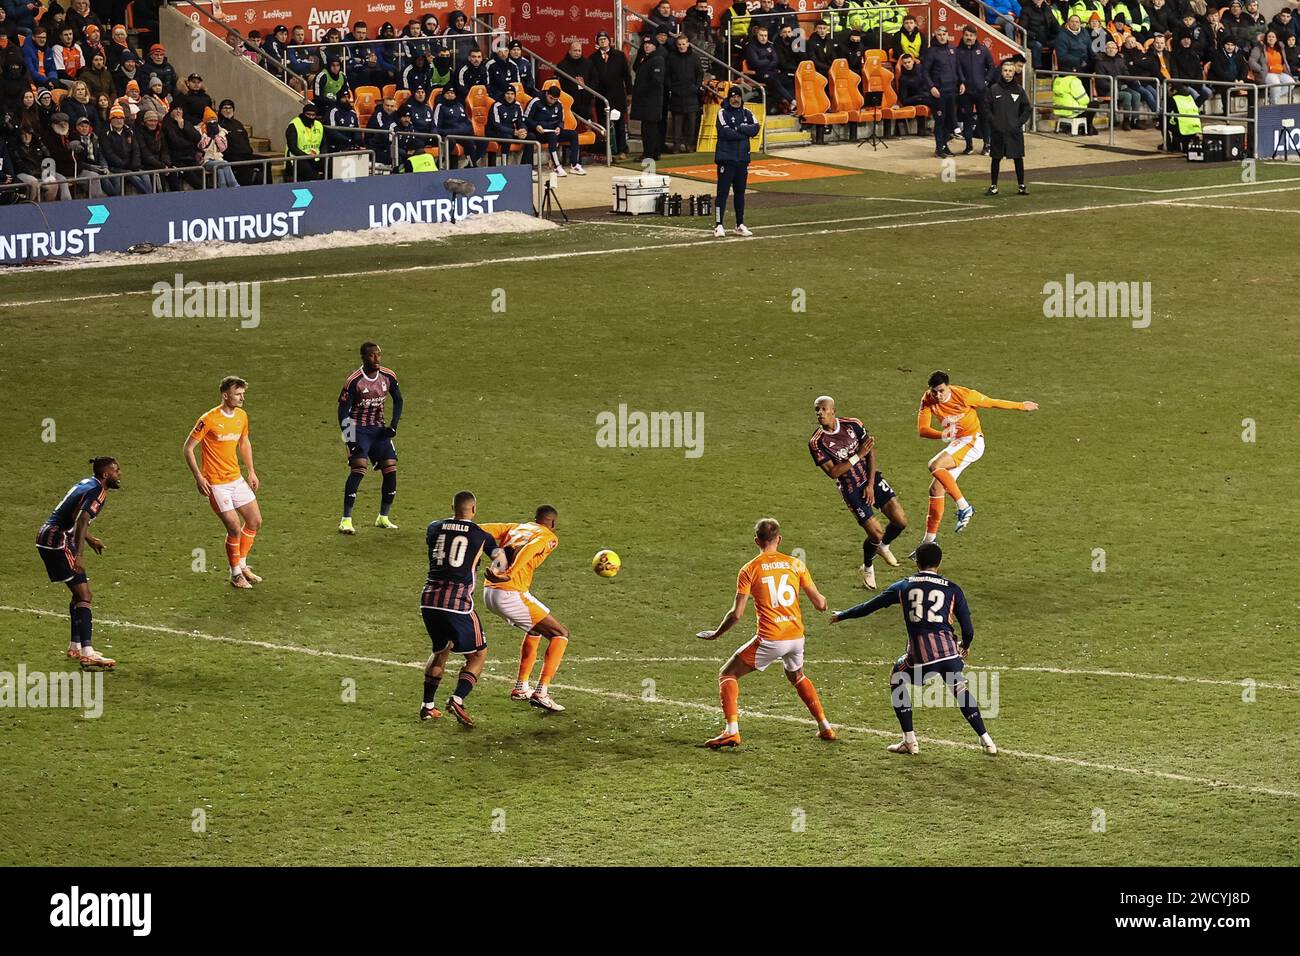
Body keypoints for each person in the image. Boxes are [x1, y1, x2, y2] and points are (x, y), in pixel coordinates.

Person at [830, 543, 997, 757]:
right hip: (949, 652)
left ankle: (909, 740)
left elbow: (871, 605)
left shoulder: (903, 586)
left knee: (897, 677)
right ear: (939, 562)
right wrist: (965, 646)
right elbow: (969, 629)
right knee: (959, 689)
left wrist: (842, 615)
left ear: (917, 562)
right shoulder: (952, 588)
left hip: (921, 656)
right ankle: (987, 740)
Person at [696, 517, 836, 749]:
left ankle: (732, 732)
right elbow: (820, 604)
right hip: (796, 637)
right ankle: (825, 727)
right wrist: (823, 602)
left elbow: (736, 614)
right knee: (797, 676)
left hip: (771, 638)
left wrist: (717, 634)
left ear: (756, 541)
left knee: (727, 674)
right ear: (779, 539)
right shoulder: (796, 564)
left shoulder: (749, 569)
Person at [915, 371, 1038, 546]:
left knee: (935, 465)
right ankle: (928, 543)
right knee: (936, 489)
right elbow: (923, 430)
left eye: (941, 390)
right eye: (935, 391)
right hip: (958, 443)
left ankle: (964, 506)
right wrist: (943, 434)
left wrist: (1020, 406)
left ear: (948, 386)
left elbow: (992, 402)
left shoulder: (964, 395)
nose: (938, 395)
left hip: (972, 441)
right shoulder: (928, 399)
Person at [418, 491, 508, 727]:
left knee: (441, 649)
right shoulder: (482, 536)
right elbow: (500, 561)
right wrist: (496, 572)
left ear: (452, 507)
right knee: (479, 653)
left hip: (428, 599)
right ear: (474, 510)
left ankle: (427, 706)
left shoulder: (433, 527)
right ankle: (458, 698)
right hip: (457, 603)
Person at [809, 395, 908, 590]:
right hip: (851, 489)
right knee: (876, 534)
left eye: (822, 409)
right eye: (816, 410)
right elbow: (833, 472)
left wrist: (871, 484)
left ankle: (884, 546)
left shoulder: (853, 425)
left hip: (870, 479)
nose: (819, 413)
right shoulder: (817, 442)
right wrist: (857, 455)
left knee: (901, 520)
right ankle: (868, 567)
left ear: (832, 411)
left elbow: (870, 451)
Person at [480, 506, 569, 713]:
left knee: (535, 629)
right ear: (553, 523)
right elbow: (530, 549)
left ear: (534, 518)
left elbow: (479, 530)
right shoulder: (549, 536)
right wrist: (510, 573)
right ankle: (542, 692)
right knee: (560, 634)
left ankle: (521, 688)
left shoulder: (515, 528)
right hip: (510, 592)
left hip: (489, 592)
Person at [36, 457, 122, 669]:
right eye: (116, 471)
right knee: (84, 595)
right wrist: (79, 556)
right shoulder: (98, 492)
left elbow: (74, 516)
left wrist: (90, 539)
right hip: (57, 540)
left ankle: (75, 646)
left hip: (49, 536)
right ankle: (88, 653)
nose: (119, 474)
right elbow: (82, 520)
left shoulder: (87, 483)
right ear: (105, 475)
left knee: (78, 593)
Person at [183, 377, 263, 591]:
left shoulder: (242, 416)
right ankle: (235, 574)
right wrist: (199, 477)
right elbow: (188, 448)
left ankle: (242, 564)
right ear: (225, 395)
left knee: (254, 521)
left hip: (235, 478)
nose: (242, 397)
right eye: (238, 394)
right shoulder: (208, 419)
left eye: (243, 394)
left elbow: (244, 442)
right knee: (234, 527)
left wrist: (251, 471)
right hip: (216, 483)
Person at [336, 342, 402, 535]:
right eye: (372, 356)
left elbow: (399, 400)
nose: (376, 359)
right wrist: (350, 440)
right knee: (359, 469)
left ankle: (383, 517)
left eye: (378, 355)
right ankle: (345, 520)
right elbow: (342, 413)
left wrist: (393, 426)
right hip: (358, 430)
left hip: (379, 430)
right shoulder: (354, 382)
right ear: (363, 358)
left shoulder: (388, 376)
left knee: (390, 468)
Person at [713, 84, 757, 238]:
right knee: (722, 193)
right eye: (732, 96)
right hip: (726, 159)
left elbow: (756, 128)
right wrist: (743, 131)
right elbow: (725, 132)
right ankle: (718, 225)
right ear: (728, 98)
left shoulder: (747, 113)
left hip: (742, 159)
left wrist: (738, 129)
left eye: (737, 96)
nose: (735, 99)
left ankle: (740, 224)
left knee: (740, 193)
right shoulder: (722, 113)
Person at [983, 56, 1031, 195]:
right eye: (1005, 71)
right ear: (1002, 72)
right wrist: (994, 122)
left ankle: (1021, 185)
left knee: (1018, 159)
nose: (1008, 73)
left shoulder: (1019, 90)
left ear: (1014, 72)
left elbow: (1027, 109)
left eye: (1010, 71)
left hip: (1014, 132)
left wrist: (1018, 123)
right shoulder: (994, 89)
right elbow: (986, 108)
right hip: (998, 131)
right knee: (995, 159)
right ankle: (993, 186)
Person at [587, 30, 632, 159]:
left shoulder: (619, 55)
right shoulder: (593, 58)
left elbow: (627, 76)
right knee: (603, 124)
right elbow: (592, 78)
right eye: (600, 39)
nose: (603, 41)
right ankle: (607, 150)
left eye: (605, 39)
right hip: (602, 97)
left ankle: (622, 149)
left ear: (609, 41)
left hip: (617, 96)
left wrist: (629, 93)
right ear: (597, 42)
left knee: (619, 124)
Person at [523, 83, 582, 175]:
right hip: (539, 132)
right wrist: (536, 126)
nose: (552, 101)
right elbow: (526, 118)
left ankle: (575, 165)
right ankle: (557, 166)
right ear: (547, 94)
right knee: (551, 136)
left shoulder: (559, 104)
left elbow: (561, 120)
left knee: (573, 134)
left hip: (553, 131)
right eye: (551, 98)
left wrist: (559, 127)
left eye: (555, 99)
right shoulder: (535, 101)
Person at [922, 25, 960, 157]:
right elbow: (925, 71)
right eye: (939, 34)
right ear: (935, 36)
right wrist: (931, 87)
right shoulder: (931, 51)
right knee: (940, 120)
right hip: (939, 91)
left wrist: (962, 82)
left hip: (952, 90)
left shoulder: (952, 50)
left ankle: (944, 145)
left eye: (944, 34)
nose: (942, 36)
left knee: (949, 120)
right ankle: (939, 148)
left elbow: (957, 68)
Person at [955, 25, 993, 155]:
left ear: (975, 37)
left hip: (981, 91)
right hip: (965, 92)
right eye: (966, 35)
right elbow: (956, 70)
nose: (968, 38)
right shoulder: (957, 51)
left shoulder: (983, 50)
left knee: (984, 118)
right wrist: (961, 82)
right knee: (967, 119)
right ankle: (969, 145)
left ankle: (987, 145)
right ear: (963, 36)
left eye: (971, 35)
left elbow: (992, 68)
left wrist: (986, 81)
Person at [100, 102, 151, 193]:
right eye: (116, 118)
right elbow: (108, 153)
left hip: (131, 165)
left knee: (145, 175)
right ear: (111, 119)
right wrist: (123, 164)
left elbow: (136, 149)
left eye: (121, 118)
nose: (119, 121)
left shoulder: (129, 130)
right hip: (115, 167)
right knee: (132, 176)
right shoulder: (105, 133)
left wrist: (135, 163)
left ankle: (150, 197)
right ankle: (149, 196)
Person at [631, 35, 667, 162]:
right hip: (645, 100)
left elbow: (656, 81)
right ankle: (650, 152)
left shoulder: (657, 60)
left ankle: (649, 154)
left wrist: (642, 90)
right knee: (646, 128)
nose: (647, 46)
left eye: (650, 44)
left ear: (655, 46)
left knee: (650, 129)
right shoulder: (644, 59)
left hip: (651, 101)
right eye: (645, 44)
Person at [666, 31, 703, 151]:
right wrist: (672, 88)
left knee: (691, 123)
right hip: (677, 94)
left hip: (691, 95)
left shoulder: (695, 58)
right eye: (679, 44)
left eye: (683, 44)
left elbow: (700, 74)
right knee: (677, 122)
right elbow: (667, 75)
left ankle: (689, 145)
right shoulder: (671, 57)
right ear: (677, 45)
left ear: (688, 44)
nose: (681, 46)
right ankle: (676, 145)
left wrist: (696, 87)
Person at [434, 83, 485, 168]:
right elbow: (436, 126)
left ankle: (470, 165)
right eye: (448, 93)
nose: (450, 95)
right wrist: (452, 131)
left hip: (463, 134)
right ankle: (473, 166)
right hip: (449, 134)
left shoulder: (459, 105)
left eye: (452, 93)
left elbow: (467, 122)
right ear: (444, 95)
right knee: (468, 143)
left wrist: (467, 130)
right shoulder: (440, 106)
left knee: (483, 142)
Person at [746, 25, 793, 113]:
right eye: (761, 35)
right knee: (773, 79)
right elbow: (755, 63)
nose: (763, 38)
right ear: (757, 36)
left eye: (765, 35)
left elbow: (776, 61)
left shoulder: (770, 45)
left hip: (771, 72)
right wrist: (769, 60)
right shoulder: (751, 46)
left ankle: (786, 102)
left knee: (789, 79)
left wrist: (765, 62)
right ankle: (791, 101)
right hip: (757, 74)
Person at [1096, 39, 1139, 129]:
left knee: (1136, 95)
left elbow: (1125, 74)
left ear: (1116, 50)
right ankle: (1126, 121)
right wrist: (1116, 86)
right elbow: (1101, 82)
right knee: (1127, 95)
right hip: (1107, 90)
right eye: (1109, 48)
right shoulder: (1100, 63)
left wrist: (1133, 80)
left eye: (1114, 48)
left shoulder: (1120, 61)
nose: (1111, 50)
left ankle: (1135, 120)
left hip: (1120, 87)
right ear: (1105, 49)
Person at [218, 99, 259, 185]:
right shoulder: (219, 125)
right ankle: (246, 192)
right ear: (220, 110)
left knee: (266, 162)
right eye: (225, 108)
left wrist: (249, 151)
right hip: (231, 157)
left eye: (230, 108)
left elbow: (246, 140)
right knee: (245, 167)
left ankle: (265, 188)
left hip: (246, 155)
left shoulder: (238, 123)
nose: (228, 110)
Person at [487, 83, 528, 164]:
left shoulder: (517, 105)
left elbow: (521, 121)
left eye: (512, 94)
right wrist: (514, 132)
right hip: (494, 131)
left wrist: (523, 130)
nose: (510, 96)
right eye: (508, 93)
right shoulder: (496, 105)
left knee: (530, 136)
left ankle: (526, 164)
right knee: (507, 138)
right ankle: (504, 165)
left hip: (511, 131)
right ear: (504, 94)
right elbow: (496, 125)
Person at [284, 99, 324, 181]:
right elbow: (292, 147)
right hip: (298, 158)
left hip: (316, 157)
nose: (311, 117)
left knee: (330, 166)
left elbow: (324, 144)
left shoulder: (319, 125)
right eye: (308, 115)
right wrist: (307, 156)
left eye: (313, 115)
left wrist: (323, 155)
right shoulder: (294, 125)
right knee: (309, 171)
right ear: (303, 114)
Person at [198, 105, 237, 187]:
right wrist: (208, 136)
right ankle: (234, 186)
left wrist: (216, 136)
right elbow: (202, 147)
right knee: (225, 164)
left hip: (218, 159)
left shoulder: (221, 131)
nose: (212, 122)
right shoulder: (200, 131)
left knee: (221, 170)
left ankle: (223, 189)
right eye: (210, 120)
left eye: (214, 119)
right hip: (206, 161)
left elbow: (223, 148)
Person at [1051, 70, 1099, 134]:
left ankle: (1085, 127)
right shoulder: (1073, 81)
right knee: (1095, 104)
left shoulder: (1056, 80)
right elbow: (1084, 100)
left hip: (1059, 110)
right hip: (1072, 111)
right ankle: (1088, 126)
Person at [325, 86, 362, 156]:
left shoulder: (353, 113)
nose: (347, 99)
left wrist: (355, 141)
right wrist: (348, 140)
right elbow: (332, 131)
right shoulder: (333, 112)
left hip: (351, 145)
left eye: (348, 97)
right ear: (339, 99)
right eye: (344, 97)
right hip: (337, 145)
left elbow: (357, 130)